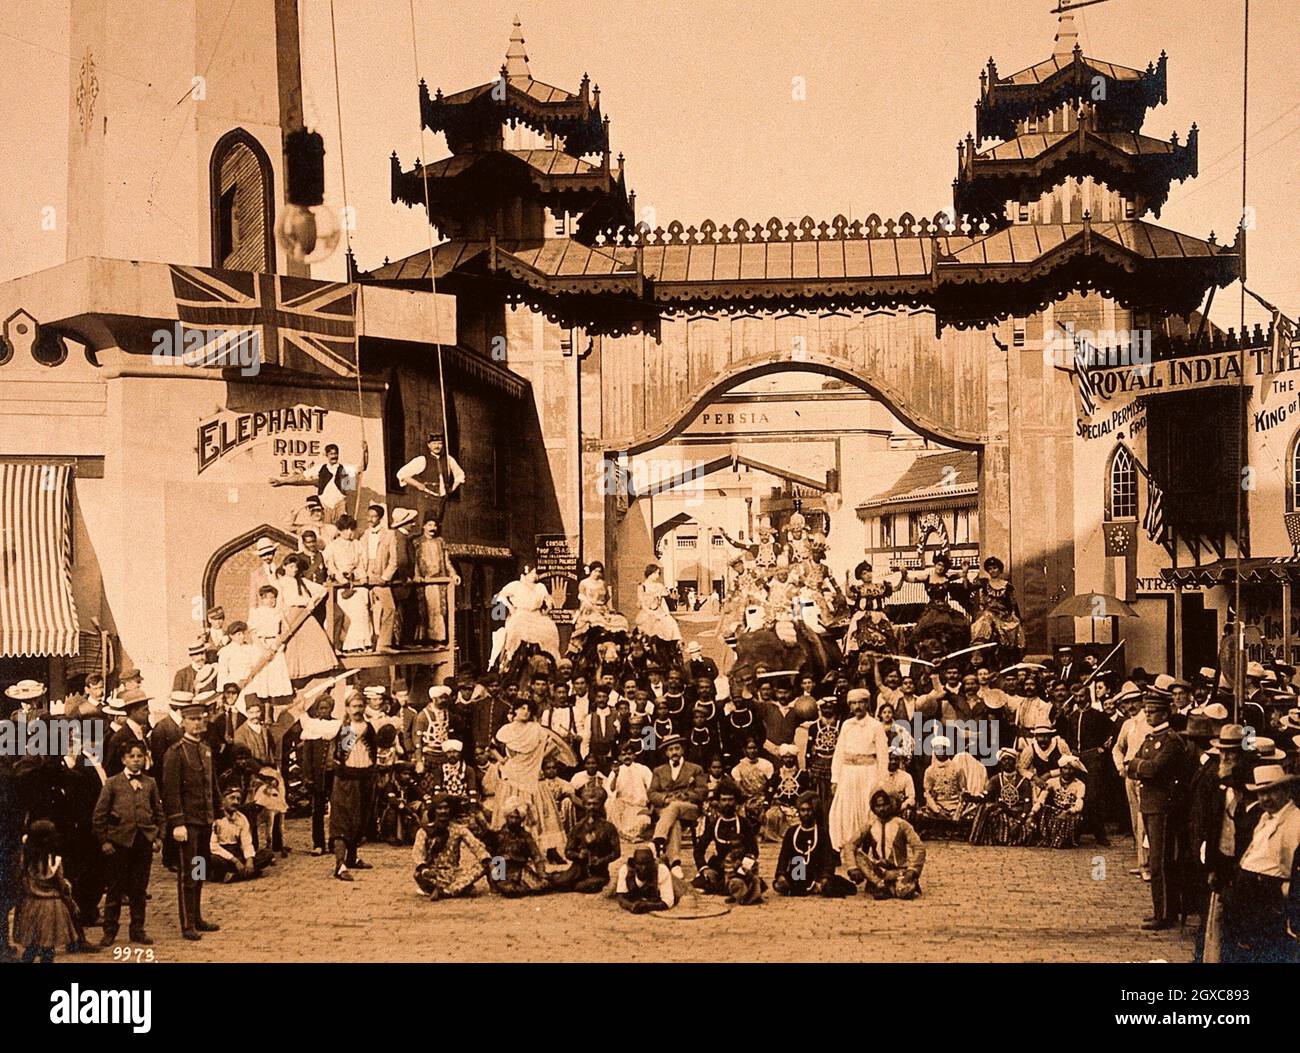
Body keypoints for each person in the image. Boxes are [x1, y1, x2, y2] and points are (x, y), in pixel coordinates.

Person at [1220, 764, 1300, 963]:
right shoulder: (1265, 818)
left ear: (1286, 791)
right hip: (1248, 895)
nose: (1265, 799)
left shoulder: (1295, 821)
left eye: (1271, 792)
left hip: (1269, 897)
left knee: (1265, 952)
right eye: (1261, 793)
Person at [1125, 690, 1191, 931]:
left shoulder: (1171, 740)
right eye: (1147, 711)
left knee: (1160, 862)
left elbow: (1153, 769)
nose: (1148, 715)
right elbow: (1133, 766)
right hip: (1150, 803)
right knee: (1156, 859)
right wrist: (1139, 766)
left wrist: (1138, 766)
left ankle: (1164, 914)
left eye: (1152, 712)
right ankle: (1160, 909)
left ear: (1164, 713)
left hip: (1163, 805)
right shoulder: (1151, 738)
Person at [92, 740, 164, 946]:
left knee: (139, 889)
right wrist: (104, 840)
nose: (136, 760)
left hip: (143, 842)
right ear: (124, 759)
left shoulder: (150, 783)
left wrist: (158, 837)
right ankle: (110, 930)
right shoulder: (112, 783)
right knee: (115, 888)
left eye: (139, 756)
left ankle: (137, 929)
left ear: (145, 758)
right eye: (131, 757)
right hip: (119, 842)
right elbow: (100, 815)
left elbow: (159, 814)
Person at [161, 698, 219, 940]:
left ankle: (197, 916)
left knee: (200, 868)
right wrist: (177, 823)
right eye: (192, 719)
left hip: (204, 820)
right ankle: (187, 924)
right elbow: (171, 791)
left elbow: (211, 784)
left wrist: (217, 814)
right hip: (187, 823)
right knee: (187, 873)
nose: (198, 723)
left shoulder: (205, 750)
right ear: (183, 722)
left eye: (200, 719)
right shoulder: (176, 752)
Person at [492, 698, 566, 857]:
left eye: (528, 709)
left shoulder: (536, 729)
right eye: (521, 708)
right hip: (512, 774)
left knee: (541, 810)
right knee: (511, 811)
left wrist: (540, 760)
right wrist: (502, 759)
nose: (525, 711)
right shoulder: (506, 730)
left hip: (532, 773)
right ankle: (507, 853)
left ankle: (548, 851)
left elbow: (552, 747)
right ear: (515, 710)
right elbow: (491, 747)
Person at [13, 819, 87, 963]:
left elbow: (20, 881)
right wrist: (71, 903)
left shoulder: (26, 860)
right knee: (48, 949)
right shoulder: (54, 862)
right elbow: (62, 887)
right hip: (52, 907)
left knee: (31, 947)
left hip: (31, 905)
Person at [828, 688, 889, 849]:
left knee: (866, 808)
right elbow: (839, 752)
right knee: (845, 809)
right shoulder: (847, 725)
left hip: (869, 772)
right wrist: (835, 778)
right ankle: (847, 845)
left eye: (861, 702)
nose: (857, 706)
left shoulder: (876, 726)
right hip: (848, 773)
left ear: (867, 704)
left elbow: (883, 756)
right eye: (854, 703)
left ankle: (866, 846)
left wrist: (882, 781)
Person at [843, 788, 926, 900]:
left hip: (899, 871)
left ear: (891, 804)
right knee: (857, 855)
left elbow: (919, 848)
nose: (881, 809)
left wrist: (912, 870)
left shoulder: (902, 825)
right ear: (873, 807)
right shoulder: (870, 824)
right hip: (877, 872)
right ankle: (880, 884)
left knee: (905, 892)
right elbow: (850, 845)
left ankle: (886, 887)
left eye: (884, 805)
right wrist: (852, 867)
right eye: (878, 806)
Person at [329, 691, 378, 881]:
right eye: (354, 706)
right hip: (346, 780)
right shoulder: (344, 728)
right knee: (343, 820)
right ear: (347, 708)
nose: (357, 710)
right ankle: (339, 864)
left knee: (360, 818)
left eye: (360, 706)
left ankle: (352, 857)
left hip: (364, 777)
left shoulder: (369, 728)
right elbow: (340, 756)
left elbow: (374, 751)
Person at [773, 792, 854, 897]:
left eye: (809, 810)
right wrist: (781, 875)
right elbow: (783, 857)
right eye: (803, 810)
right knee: (779, 885)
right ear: (799, 812)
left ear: (814, 811)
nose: (806, 813)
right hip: (798, 875)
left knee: (830, 886)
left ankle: (819, 887)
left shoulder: (822, 833)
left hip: (817, 876)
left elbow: (829, 859)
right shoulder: (792, 832)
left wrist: (824, 877)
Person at [647, 734, 707, 875]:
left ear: (682, 750)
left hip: (689, 807)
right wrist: (665, 799)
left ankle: (657, 842)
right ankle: (675, 863)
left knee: (675, 807)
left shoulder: (695, 769)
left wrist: (684, 796)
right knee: (674, 822)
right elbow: (652, 793)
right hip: (666, 809)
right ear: (666, 753)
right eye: (670, 749)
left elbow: (702, 791)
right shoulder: (659, 771)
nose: (674, 752)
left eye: (677, 748)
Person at [413, 794, 491, 900]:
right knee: (418, 874)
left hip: (454, 873)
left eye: (446, 808)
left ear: (451, 810)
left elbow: (475, 845)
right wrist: (424, 869)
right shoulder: (424, 831)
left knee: (484, 865)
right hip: (434, 873)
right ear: (434, 810)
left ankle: (445, 891)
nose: (443, 811)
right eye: (440, 808)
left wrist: (485, 858)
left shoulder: (458, 829)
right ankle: (459, 888)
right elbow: (418, 853)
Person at [275, 553, 337, 680]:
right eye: (291, 567)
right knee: (293, 644)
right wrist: (283, 617)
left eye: (296, 567)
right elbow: (281, 601)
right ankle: (295, 674)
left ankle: (316, 669)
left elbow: (321, 590)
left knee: (315, 638)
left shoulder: (302, 581)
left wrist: (311, 602)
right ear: (285, 566)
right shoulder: (281, 582)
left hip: (305, 613)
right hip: (291, 614)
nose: (294, 570)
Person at [551, 785, 622, 893]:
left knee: (585, 886)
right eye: (589, 804)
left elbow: (616, 852)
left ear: (601, 805)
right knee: (558, 883)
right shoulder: (578, 827)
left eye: (595, 804)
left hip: (599, 872)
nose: (592, 807)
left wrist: (600, 860)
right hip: (577, 869)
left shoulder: (608, 828)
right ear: (584, 805)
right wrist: (579, 855)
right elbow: (568, 851)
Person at [693, 780, 759, 893]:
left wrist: (744, 866)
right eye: (723, 800)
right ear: (718, 801)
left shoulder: (744, 823)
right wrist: (705, 869)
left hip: (740, 865)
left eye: (730, 799)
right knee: (699, 882)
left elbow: (754, 851)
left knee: (742, 882)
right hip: (719, 865)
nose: (727, 803)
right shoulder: (714, 824)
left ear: (736, 801)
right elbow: (699, 850)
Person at [494, 564, 561, 667]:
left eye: (535, 573)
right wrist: (511, 608)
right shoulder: (515, 585)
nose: (534, 575)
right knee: (515, 633)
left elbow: (548, 600)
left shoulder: (540, 587)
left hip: (537, 615)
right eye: (531, 573)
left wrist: (547, 608)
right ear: (524, 574)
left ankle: (551, 661)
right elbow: (500, 596)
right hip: (521, 614)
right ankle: (508, 661)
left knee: (550, 632)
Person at [323, 514, 372, 652]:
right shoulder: (332, 546)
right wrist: (341, 577)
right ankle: (347, 645)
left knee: (360, 611)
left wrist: (360, 576)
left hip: (355, 582)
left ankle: (361, 643)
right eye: (345, 529)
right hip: (341, 584)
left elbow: (361, 563)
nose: (349, 532)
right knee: (347, 615)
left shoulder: (357, 544)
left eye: (351, 529)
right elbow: (330, 565)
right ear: (339, 530)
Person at [969, 747, 1032, 846]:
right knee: (985, 808)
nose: (1007, 762)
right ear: (1000, 762)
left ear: (1015, 762)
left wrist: (1019, 822)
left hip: (1017, 816)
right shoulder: (995, 779)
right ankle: (976, 838)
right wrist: (970, 797)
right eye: (1004, 759)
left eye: (1010, 759)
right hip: (1001, 813)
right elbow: (985, 797)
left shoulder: (1024, 781)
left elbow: (1027, 805)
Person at [396, 432, 465, 521]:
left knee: (439, 525)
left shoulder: (448, 459)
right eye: (434, 443)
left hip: (442, 500)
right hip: (427, 498)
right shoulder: (422, 460)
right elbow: (402, 474)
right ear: (429, 445)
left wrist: (452, 488)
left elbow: (460, 475)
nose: (437, 446)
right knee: (426, 523)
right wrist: (417, 484)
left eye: (440, 443)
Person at [209, 784, 272, 882]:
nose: (235, 802)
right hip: (221, 854)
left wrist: (249, 860)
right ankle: (247, 874)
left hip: (237, 852)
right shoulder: (216, 818)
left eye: (238, 799)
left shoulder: (241, 818)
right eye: (232, 798)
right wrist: (235, 860)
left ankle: (233, 876)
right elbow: (213, 846)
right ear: (223, 800)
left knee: (267, 854)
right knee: (212, 860)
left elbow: (246, 842)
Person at [490, 803, 551, 897]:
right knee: (508, 890)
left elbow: (537, 856)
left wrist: (542, 874)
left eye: (517, 818)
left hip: (520, 869)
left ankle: (520, 886)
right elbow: (490, 856)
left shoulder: (526, 836)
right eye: (511, 817)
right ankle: (498, 886)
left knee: (542, 886)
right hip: (501, 869)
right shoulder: (498, 834)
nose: (514, 821)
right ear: (506, 817)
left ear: (522, 819)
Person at [969, 556, 1024, 658]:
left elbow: (1013, 604)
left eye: (994, 568)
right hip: (988, 614)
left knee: (1014, 626)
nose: (992, 571)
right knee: (985, 617)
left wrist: (1015, 616)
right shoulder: (984, 585)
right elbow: (981, 601)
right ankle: (981, 643)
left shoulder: (1007, 586)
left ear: (1000, 569)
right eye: (990, 569)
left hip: (1003, 616)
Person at [362, 504, 399, 653]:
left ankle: (384, 643)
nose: (370, 519)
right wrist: (362, 575)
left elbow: (394, 560)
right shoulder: (363, 535)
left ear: (380, 518)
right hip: (365, 575)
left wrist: (385, 577)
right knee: (366, 608)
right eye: (368, 515)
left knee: (389, 607)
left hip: (380, 575)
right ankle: (368, 643)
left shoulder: (389, 535)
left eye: (374, 516)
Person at [414, 517, 457, 645]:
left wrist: (453, 574)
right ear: (424, 527)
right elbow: (415, 564)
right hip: (425, 583)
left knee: (438, 610)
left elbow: (446, 561)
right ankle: (426, 640)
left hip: (439, 582)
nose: (432, 528)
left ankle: (438, 640)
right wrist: (417, 576)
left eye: (434, 525)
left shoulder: (440, 542)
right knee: (426, 611)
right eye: (429, 525)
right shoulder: (417, 542)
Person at [1030, 757, 1088, 848]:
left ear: (1075, 771)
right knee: (1044, 810)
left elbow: (1079, 804)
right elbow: (1041, 800)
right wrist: (1032, 814)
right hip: (1056, 812)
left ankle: (1065, 840)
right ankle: (1046, 839)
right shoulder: (1052, 782)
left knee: (1075, 817)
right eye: (1065, 768)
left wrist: (1068, 812)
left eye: (1071, 769)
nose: (1068, 772)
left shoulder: (1080, 785)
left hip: (1070, 813)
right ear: (1060, 770)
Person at [763, 745, 811, 842]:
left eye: (791, 757)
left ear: (794, 758)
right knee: (770, 815)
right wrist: (766, 803)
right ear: (782, 758)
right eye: (786, 757)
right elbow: (770, 790)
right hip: (781, 807)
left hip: (796, 808)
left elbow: (807, 792)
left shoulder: (802, 775)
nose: (788, 760)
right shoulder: (777, 774)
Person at [615, 846, 675, 913]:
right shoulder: (625, 870)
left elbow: (668, 901)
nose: (643, 868)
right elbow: (620, 897)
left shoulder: (661, 870)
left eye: (647, 864)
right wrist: (631, 906)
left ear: (653, 863)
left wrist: (649, 906)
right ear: (634, 863)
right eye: (640, 864)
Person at [636, 563, 682, 646]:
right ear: (650, 573)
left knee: (671, 623)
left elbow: (663, 602)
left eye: (658, 573)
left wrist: (666, 614)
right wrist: (650, 613)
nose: (657, 576)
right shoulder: (642, 586)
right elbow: (642, 602)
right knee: (648, 628)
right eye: (655, 573)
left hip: (660, 612)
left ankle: (675, 645)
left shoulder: (659, 586)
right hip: (647, 612)